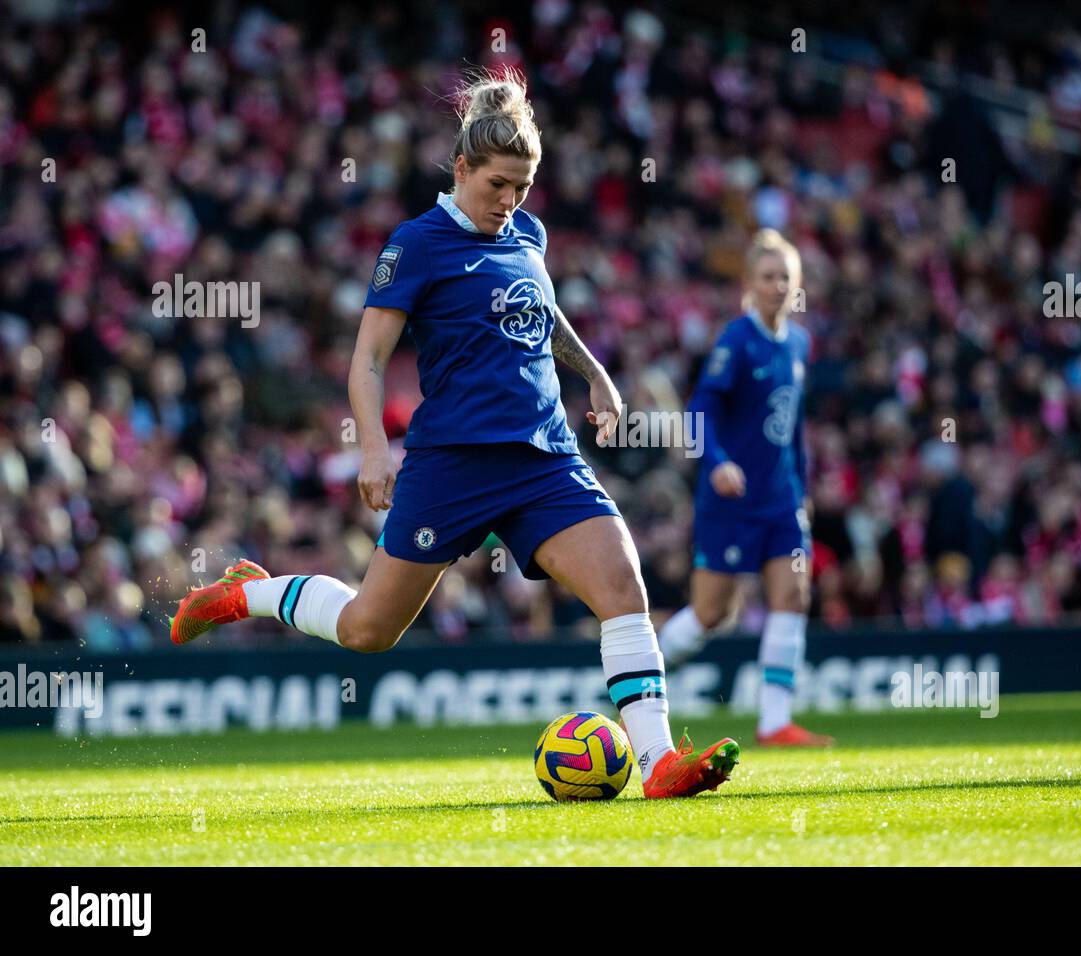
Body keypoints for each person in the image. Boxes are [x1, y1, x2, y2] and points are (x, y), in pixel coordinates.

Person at [167, 70, 739, 798]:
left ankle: (659, 765)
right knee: (369, 630)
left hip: (544, 458)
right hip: (453, 464)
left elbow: (544, 316)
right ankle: (246, 593)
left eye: (523, 189)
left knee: (624, 589)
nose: (510, 203)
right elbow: (368, 360)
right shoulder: (417, 245)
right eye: (498, 185)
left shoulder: (525, 233)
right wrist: (375, 448)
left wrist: (594, 372)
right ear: (462, 167)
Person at [657, 229, 833, 746]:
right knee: (713, 613)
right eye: (768, 277)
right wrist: (716, 462)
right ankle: (640, 685)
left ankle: (774, 721)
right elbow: (699, 410)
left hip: (780, 499)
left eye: (786, 277)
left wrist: (803, 488)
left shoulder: (799, 344)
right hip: (730, 499)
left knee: (793, 595)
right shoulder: (735, 340)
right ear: (748, 285)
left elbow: (793, 426)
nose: (778, 286)